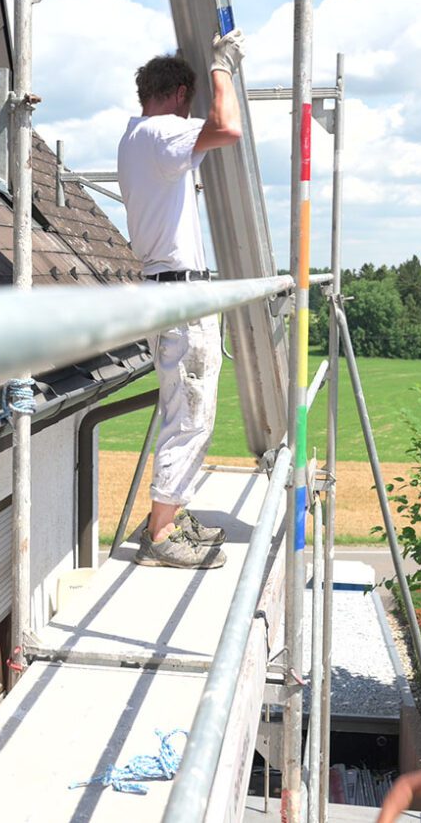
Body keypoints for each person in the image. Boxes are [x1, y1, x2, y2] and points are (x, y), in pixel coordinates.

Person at [117, 28, 245, 569]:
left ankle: (169, 514)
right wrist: (224, 68)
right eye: (187, 101)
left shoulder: (136, 139)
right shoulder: (164, 132)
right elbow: (228, 129)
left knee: (184, 407)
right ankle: (162, 534)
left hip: (167, 289)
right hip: (179, 293)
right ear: (176, 96)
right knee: (190, 413)